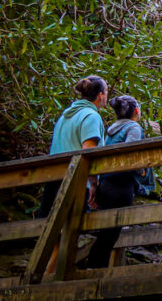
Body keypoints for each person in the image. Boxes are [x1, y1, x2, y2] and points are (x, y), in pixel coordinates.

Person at [38, 75, 108, 274]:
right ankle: (48, 286)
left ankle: (44, 282)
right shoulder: (91, 116)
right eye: (106, 93)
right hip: (74, 185)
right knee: (68, 235)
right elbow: (88, 153)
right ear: (100, 96)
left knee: (57, 241)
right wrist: (93, 185)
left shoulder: (65, 115)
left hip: (54, 181)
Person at [87, 95, 150, 268]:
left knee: (106, 235)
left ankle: (95, 271)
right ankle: (94, 274)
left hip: (105, 184)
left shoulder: (111, 130)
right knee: (109, 237)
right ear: (136, 111)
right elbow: (129, 155)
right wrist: (142, 170)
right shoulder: (134, 127)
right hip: (121, 186)